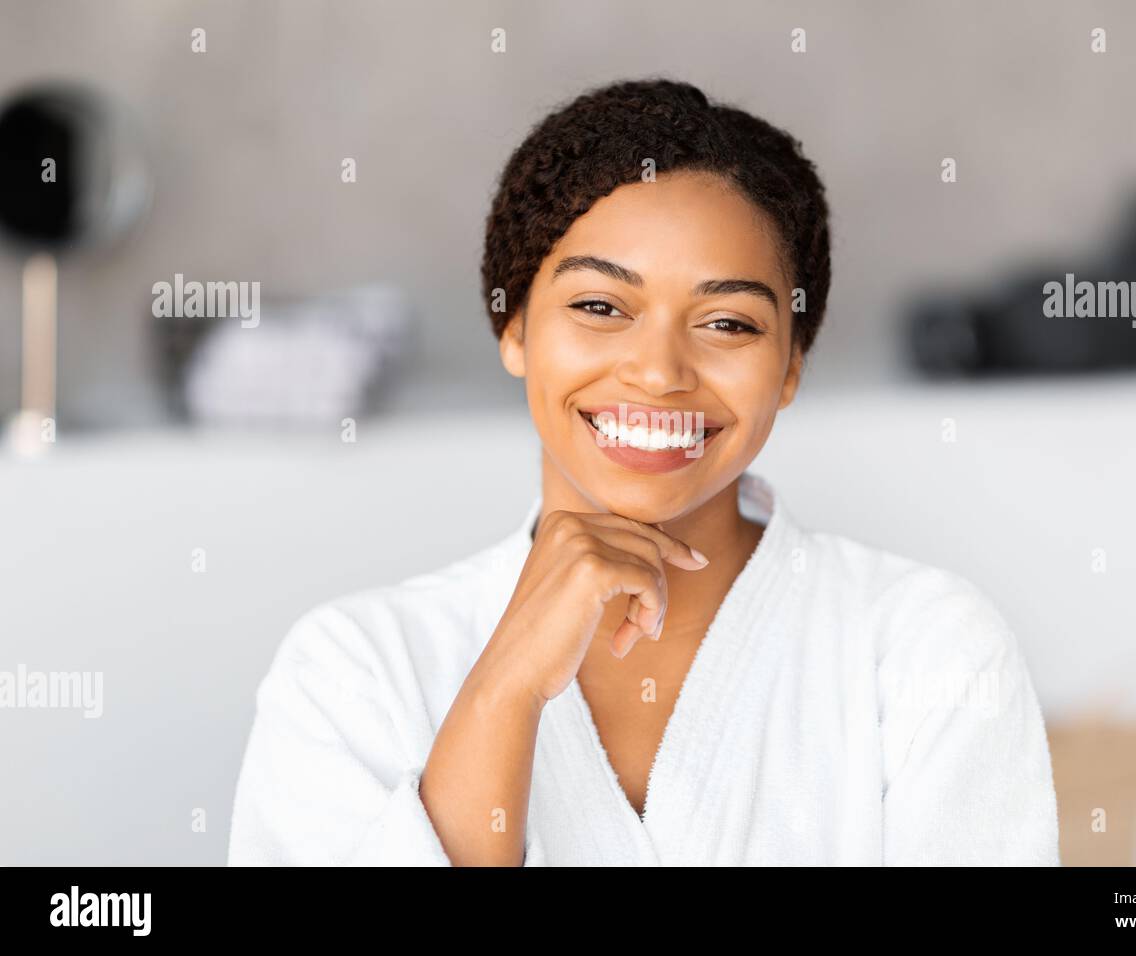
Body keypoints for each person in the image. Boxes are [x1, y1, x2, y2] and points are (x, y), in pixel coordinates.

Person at [228, 77, 1059, 866]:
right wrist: (502, 692)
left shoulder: (929, 651)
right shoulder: (353, 670)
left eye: (728, 322)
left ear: (791, 366)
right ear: (513, 327)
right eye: (599, 307)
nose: (658, 372)